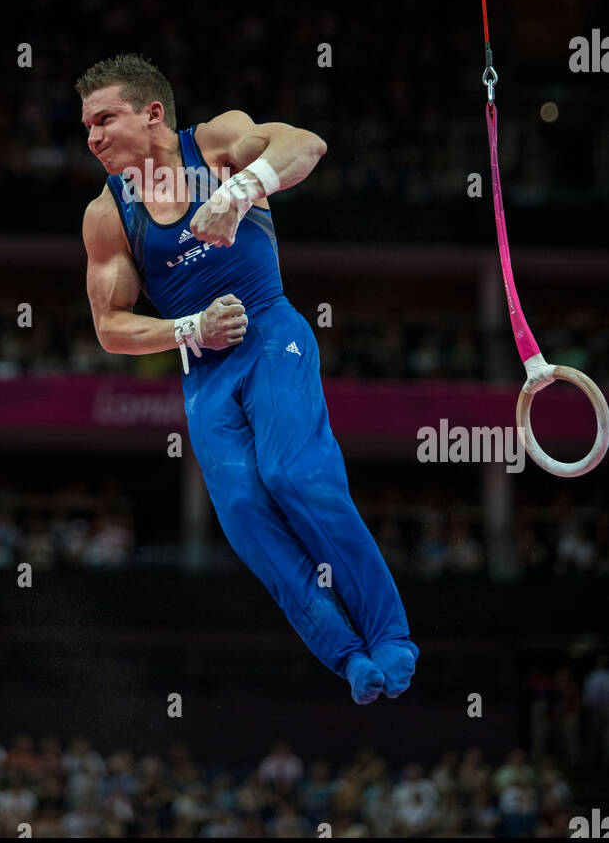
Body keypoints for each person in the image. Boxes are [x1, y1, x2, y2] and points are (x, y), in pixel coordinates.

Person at [78, 53, 418, 703]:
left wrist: (239, 190)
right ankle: (348, 657)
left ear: (152, 114)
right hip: (204, 369)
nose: (91, 137)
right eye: (85, 125)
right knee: (243, 514)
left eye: (104, 119)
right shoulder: (107, 214)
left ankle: (391, 633)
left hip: (270, 335)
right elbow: (110, 326)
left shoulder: (214, 143)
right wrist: (189, 329)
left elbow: (305, 144)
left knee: (296, 473)